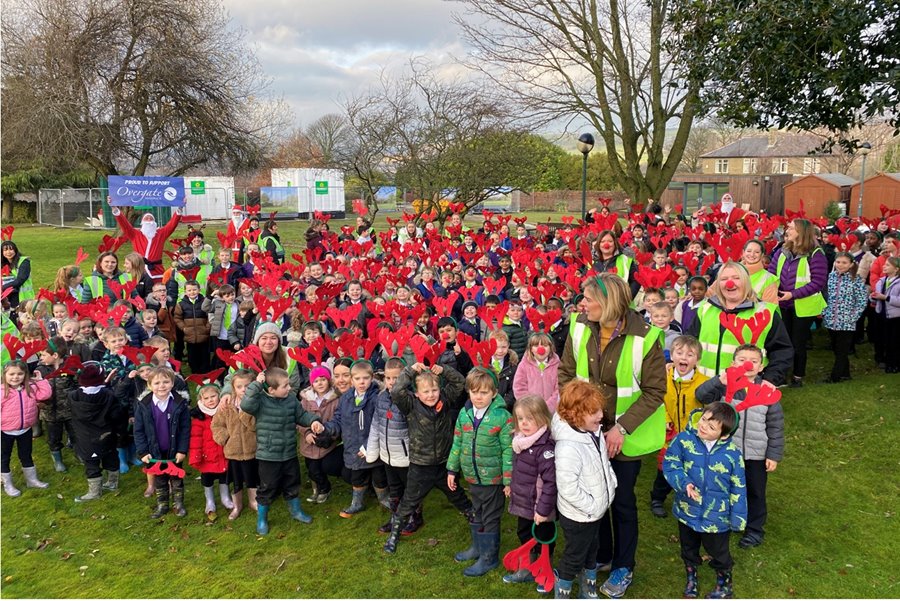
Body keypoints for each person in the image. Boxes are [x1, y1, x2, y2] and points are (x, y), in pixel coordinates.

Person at [558, 272, 667, 599]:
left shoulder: (646, 336)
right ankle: (602, 554)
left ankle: (623, 565)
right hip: (587, 432)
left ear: (608, 303)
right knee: (595, 497)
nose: (583, 304)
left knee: (621, 502)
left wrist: (620, 428)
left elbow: (654, 391)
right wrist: (578, 415)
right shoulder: (579, 326)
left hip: (626, 436)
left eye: (589, 299)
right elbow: (566, 373)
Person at [696, 345, 784, 550]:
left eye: (754, 361)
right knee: (724, 488)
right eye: (742, 360)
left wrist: (773, 455)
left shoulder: (767, 391)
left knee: (755, 492)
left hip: (756, 455)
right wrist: (719, 380)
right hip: (727, 452)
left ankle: (754, 530)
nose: (748, 364)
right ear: (733, 364)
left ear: (761, 367)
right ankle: (726, 521)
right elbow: (701, 395)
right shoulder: (723, 387)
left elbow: (776, 426)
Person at [383, 362, 472, 554]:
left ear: (440, 390)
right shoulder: (410, 405)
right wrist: (410, 371)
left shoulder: (445, 400)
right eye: (425, 391)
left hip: (444, 465)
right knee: (408, 502)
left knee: (458, 496)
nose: (431, 395)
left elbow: (460, 382)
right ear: (416, 393)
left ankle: (477, 524)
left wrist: (444, 370)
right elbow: (397, 391)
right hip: (420, 466)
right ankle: (394, 535)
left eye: (434, 390)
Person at [663, 402, 747, 599]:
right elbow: (671, 463)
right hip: (688, 510)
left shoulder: (733, 455)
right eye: (703, 420)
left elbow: (739, 487)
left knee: (719, 553)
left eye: (711, 427)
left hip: (717, 518)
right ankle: (691, 578)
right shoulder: (684, 440)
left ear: (724, 435)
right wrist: (684, 483)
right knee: (688, 548)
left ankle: (724, 585)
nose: (703, 426)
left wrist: (738, 518)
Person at [551, 380, 618, 599]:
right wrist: (593, 505)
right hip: (579, 515)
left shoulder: (593, 431)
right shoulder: (568, 447)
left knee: (592, 549)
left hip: (594, 511)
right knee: (575, 555)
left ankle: (587, 588)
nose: (601, 415)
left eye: (600, 409)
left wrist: (611, 482)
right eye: (594, 412)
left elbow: (603, 462)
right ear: (575, 415)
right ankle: (563, 590)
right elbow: (568, 488)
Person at [446, 367, 514, 577]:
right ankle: (477, 547)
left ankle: (489, 557)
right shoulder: (464, 414)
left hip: (493, 479)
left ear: (494, 393)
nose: (478, 397)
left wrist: (508, 480)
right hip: (472, 477)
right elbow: (457, 442)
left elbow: (508, 450)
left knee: (490, 516)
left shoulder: (502, 417)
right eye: (474, 392)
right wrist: (452, 469)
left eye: (484, 392)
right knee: (477, 512)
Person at [241, 368, 325, 535]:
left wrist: (313, 421)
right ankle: (262, 519)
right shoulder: (260, 401)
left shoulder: (291, 399)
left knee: (292, 482)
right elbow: (246, 404)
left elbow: (301, 415)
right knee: (268, 487)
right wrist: (257, 384)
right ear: (272, 390)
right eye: (285, 386)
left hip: (289, 453)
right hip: (268, 455)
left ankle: (296, 511)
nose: (289, 388)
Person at [686, 261, 793, 385]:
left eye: (736, 278)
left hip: (746, 389)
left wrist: (770, 379)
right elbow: (689, 342)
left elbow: (782, 351)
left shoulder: (765, 312)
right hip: (706, 386)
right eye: (724, 279)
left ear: (746, 282)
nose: (730, 283)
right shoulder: (705, 309)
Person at [320, 360, 389, 518]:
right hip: (353, 447)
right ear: (352, 380)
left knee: (379, 476)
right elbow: (338, 419)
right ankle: (357, 503)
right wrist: (326, 428)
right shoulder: (346, 398)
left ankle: (384, 499)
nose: (361, 382)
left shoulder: (376, 398)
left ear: (372, 378)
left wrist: (368, 446)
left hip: (371, 447)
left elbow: (379, 424)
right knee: (357, 478)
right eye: (357, 379)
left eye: (366, 378)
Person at [650, 335, 708, 519]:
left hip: (694, 436)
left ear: (697, 359)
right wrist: (665, 418)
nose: (684, 357)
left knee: (692, 468)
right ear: (672, 355)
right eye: (680, 353)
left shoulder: (705, 382)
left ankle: (690, 499)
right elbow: (657, 401)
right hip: (670, 432)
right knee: (666, 467)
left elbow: (708, 409)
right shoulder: (662, 378)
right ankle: (657, 498)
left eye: (690, 355)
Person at [503, 394, 557, 589]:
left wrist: (542, 510)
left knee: (543, 537)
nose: (524, 423)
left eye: (530, 418)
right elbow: (519, 471)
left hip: (539, 506)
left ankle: (544, 567)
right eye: (520, 418)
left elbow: (550, 483)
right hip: (524, 502)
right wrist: (510, 485)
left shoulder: (545, 448)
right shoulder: (521, 441)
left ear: (542, 418)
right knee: (524, 533)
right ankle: (527, 568)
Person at [768, 218, 828, 387]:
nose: (787, 230)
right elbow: (771, 272)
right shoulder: (783, 250)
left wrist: (792, 295)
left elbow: (818, 282)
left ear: (801, 232)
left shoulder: (816, 254)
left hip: (804, 307)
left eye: (791, 228)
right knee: (783, 342)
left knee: (798, 343)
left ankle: (797, 376)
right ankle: (782, 375)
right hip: (783, 304)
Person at [135, 366, 191, 518]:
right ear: (149, 385)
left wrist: (182, 450)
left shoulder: (180, 403)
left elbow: (185, 429)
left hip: (174, 450)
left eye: (166, 382)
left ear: (172, 383)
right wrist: (143, 451)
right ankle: (162, 505)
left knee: (176, 478)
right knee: (160, 479)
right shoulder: (143, 405)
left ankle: (178, 504)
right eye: (157, 383)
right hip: (154, 451)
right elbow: (138, 431)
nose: (162, 386)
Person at [68, 362, 123, 501]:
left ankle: (95, 492)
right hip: (107, 435)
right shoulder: (108, 395)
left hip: (85, 437)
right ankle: (113, 482)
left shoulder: (73, 396)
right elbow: (117, 414)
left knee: (91, 463)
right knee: (111, 456)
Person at [210, 369, 259, 520]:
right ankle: (237, 505)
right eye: (239, 386)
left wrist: (245, 410)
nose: (243, 389)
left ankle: (253, 501)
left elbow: (255, 426)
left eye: (247, 386)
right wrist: (225, 438)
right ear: (233, 388)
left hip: (252, 449)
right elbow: (216, 425)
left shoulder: (256, 404)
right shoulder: (227, 405)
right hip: (233, 451)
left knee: (252, 477)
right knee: (236, 480)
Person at [1, 359, 52, 496]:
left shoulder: (30, 387)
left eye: (20, 374)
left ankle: (32, 480)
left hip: (25, 429)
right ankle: (8, 484)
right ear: (5, 375)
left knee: (26, 455)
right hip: (5, 431)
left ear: (25, 375)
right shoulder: (2, 392)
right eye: (11, 374)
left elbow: (45, 395)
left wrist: (40, 381)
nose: (15, 377)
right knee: (4, 457)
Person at [189, 379, 233, 520]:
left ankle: (225, 497)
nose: (210, 400)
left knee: (224, 476)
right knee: (207, 478)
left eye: (213, 396)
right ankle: (210, 500)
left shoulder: (225, 411)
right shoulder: (199, 418)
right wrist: (196, 456)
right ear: (201, 399)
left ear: (219, 395)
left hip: (223, 452)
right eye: (206, 398)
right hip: (206, 455)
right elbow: (195, 438)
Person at [298, 366, 342, 505]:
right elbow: (299, 418)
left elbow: (337, 420)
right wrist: (306, 433)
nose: (320, 383)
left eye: (323, 379)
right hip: (309, 442)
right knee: (311, 469)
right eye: (316, 381)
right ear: (312, 384)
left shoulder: (335, 399)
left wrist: (330, 436)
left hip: (325, 442)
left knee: (319, 468)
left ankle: (324, 489)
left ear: (329, 380)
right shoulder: (306, 399)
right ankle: (317, 489)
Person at [822, 252, 869, 383]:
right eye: (838, 262)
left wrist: (853, 316)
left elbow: (862, 300)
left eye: (844, 263)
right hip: (831, 319)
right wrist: (824, 312)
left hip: (847, 321)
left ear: (851, 264)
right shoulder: (831, 277)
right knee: (836, 348)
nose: (840, 265)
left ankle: (835, 377)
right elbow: (825, 296)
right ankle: (845, 373)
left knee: (842, 350)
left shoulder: (856, 280)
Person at [109, 199, 183, 279]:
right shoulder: (135, 234)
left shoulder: (161, 234)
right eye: (146, 218)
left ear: (155, 223)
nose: (149, 220)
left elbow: (172, 224)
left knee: (159, 286)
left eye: (151, 219)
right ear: (142, 223)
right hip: (139, 270)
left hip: (156, 270)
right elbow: (124, 224)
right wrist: (115, 209)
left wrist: (180, 208)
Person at [34, 338, 78, 473]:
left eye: (43, 355)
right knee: (54, 438)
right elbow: (35, 389)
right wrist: (39, 401)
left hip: (70, 410)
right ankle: (58, 461)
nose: (41, 358)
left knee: (75, 434)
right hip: (50, 412)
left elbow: (77, 384)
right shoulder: (41, 370)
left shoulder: (71, 366)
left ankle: (79, 453)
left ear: (55, 355)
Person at [512, 332, 560, 414]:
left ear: (551, 347)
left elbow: (559, 389)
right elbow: (519, 388)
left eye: (545, 345)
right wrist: (531, 406)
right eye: (536, 345)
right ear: (530, 348)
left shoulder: (557, 365)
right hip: (531, 411)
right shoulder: (524, 365)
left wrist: (547, 407)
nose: (540, 349)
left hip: (553, 412)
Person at [173, 280, 210, 374]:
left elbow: (210, 316)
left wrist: (207, 327)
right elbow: (177, 318)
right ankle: (195, 372)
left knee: (204, 355)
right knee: (192, 356)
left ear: (199, 290)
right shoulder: (181, 304)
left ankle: (205, 372)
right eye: (189, 290)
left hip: (203, 334)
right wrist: (184, 328)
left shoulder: (204, 302)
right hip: (190, 336)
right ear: (185, 292)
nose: (192, 292)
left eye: (194, 290)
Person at [871, 256, 900, 373]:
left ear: (896, 269)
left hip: (895, 317)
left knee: (893, 341)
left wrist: (886, 297)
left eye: (888, 265)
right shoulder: (881, 281)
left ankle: (894, 364)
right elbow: (877, 296)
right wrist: (873, 297)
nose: (884, 266)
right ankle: (881, 359)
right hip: (881, 314)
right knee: (880, 338)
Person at [593, 230, 639, 298]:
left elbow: (636, 281)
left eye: (610, 241)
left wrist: (627, 298)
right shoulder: (591, 262)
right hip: (597, 302)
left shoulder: (625, 260)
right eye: (602, 241)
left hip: (619, 302)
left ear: (615, 243)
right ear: (598, 244)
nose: (606, 244)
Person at [1, 240, 34, 307]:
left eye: (11, 249)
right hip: (10, 296)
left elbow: (20, 280)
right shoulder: (4, 263)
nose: (8, 252)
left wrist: (2, 287)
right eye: (5, 250)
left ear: (15, 250)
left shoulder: (24, 261)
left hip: (24, 297)